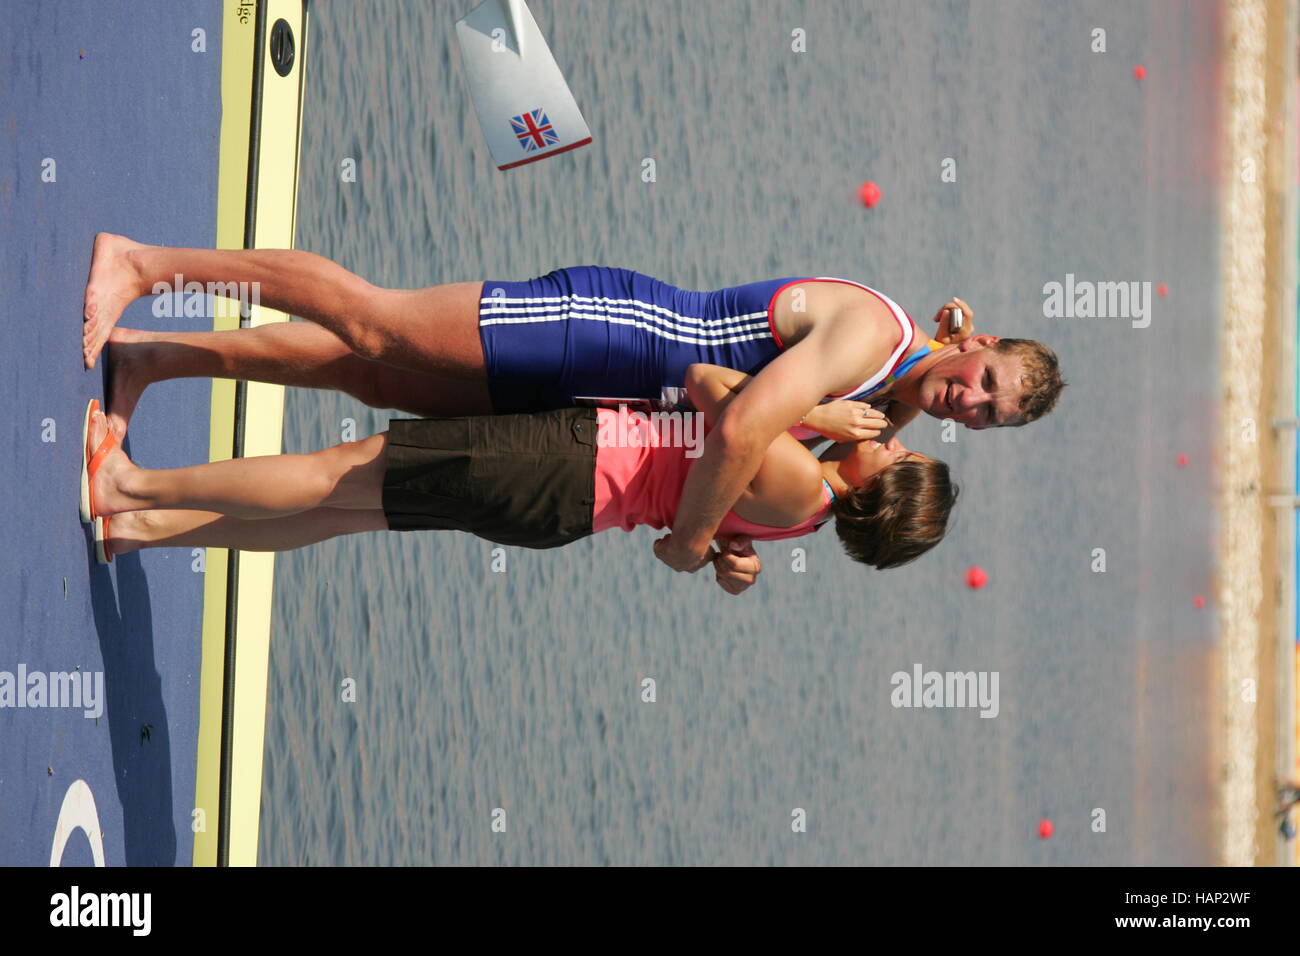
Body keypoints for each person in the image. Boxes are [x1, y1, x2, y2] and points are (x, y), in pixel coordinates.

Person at [80, 233, 1037, 576]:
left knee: (368, 376)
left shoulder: (889, 420)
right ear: (980, 342)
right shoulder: (874, 341)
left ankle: (158, 359)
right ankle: (148, 265)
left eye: (988, 416)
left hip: (605, 416)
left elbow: (838, 467)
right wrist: (698, 543)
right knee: (376, 324)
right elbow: (741, 423)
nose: (973, 404)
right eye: (985, 381)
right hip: (607, 334)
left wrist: (732, 540)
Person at [80, 363, 958, 595]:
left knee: (343, 470)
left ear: (887, 483)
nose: (895, 439)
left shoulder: (806, 476)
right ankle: (144, 530)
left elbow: (715, 398)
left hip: (570, 461)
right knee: (347, 511)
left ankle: (127, 489)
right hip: (563, 502)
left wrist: (800, 399)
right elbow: (719, 519)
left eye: (904, 456)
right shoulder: (806, 517)